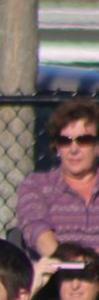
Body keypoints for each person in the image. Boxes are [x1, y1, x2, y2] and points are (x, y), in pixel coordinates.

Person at [17, 97, 99, 256]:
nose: (73, 149)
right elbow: (36, 228)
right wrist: (66, 266)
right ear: (56, 146)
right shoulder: (36, 185)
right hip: (57, 274)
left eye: (84, 140)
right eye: (65, 141)